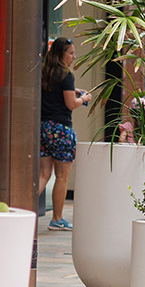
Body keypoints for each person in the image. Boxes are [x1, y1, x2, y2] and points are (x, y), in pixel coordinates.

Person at [38, 38, 90, 230]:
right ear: (62, 54)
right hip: (61, 129)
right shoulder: (66, 74)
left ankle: (22, 207)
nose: (74, 57)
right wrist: (84, 97)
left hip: (43, 127)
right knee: (62, 177)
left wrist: (73, 90)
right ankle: (57, 219)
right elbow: (71, 104)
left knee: (43, 174)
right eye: (71, 53)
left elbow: (56, 93)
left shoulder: (45, 72)